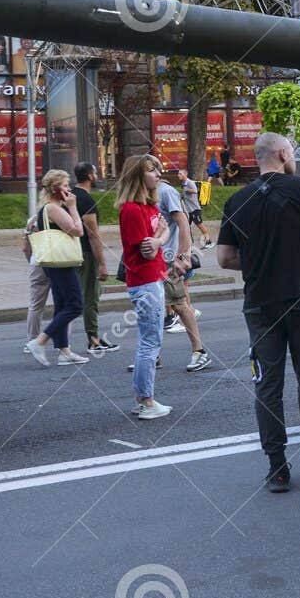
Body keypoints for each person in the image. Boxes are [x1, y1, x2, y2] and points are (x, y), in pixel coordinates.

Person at [217, 132, 300, 492]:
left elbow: (225, 258)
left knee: (267, 384)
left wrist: (261, 264)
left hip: (259, 303)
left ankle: (277, 466)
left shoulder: (237, 200)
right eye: (290, 152)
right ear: (283, 153)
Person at [116, 155, 172, 420]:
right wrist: (159, 239)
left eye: (158, 170)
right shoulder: (132, 210)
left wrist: (159, 239)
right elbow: (148, 252)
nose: (158, 175)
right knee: (150, 341)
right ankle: (145, 401)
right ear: (138, 176)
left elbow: (164, 233)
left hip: (154, 279)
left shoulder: (149, 205)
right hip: (145, 281)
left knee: (151, 340)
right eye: (152, 171)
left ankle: (144, 398)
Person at [25, 170, 87, 368]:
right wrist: (73, 207)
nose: (69, 189)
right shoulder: (53, 208)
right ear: (55, 189)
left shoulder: (46, 208)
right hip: (62, 262)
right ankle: (40, 341)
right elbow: (78, 230)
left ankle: (64, 351)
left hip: (52, 262)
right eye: (66, 185)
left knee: (61, 305)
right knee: (75, 305)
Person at [153, 171, 213, 371]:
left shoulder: (166, 191)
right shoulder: (142, 193)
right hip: (151, 261)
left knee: (179, 305)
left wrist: (183, 255)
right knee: (151, 308)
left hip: (168, 259)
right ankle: (151, 355)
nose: (155, 173)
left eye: (154, 169)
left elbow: (183, 222)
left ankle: (199, 351)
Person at [72, 162, 117, 356]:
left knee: (81, 295)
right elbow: (93, 235)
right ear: (90, 176)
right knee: (91, 296)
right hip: (87, 253)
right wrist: (103, 264)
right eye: (96, 172)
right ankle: (93, 340)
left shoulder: (71, 196)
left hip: (71, 252)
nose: (97, 175)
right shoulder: (86, 200)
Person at [181, 172, 210, 249]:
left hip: (195, 209)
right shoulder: (183, 183)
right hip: (188, 210)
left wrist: (187, 189)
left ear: (185, 175)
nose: (178, 175)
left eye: (180, 174)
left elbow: (195, 190)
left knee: (200, 225)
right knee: (186, 226)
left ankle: (208, 241)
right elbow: (184, 196)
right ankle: (188, 243)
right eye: (178, 174)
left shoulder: (190, 182)